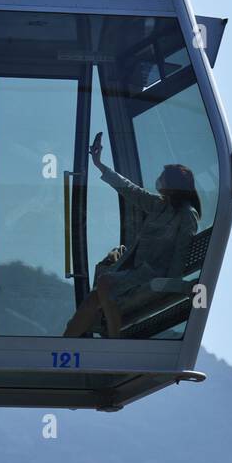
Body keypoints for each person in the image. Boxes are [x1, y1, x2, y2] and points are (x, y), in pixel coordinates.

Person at [63, 133, 201, 338]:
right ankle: (63, 348)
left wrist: (171, 285)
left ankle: (115, 341)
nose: (158, 180)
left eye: (163, 178)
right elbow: (129, 189)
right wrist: (99, 164)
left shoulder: (186, 215)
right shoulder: (159, 205)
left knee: (104, 283)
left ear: (173, 185)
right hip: (132, 271)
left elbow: (180, 255)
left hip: (150, 275)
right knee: (91, 302)